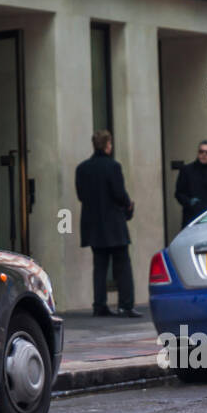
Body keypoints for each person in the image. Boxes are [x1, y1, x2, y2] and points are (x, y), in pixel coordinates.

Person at [75, 130, 139, 318]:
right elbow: (119, 193)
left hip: (93, 224)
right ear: (108, 145)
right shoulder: (113, 166)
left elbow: (81, 196)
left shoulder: (82, 168)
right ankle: (125, 305)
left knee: (100, 266)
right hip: (114, 223)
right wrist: (128, 204)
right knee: (122, 264)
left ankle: (99, 305)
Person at [175, 140, 207, 227]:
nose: (204, 155)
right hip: (192, 218)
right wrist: (190, 202)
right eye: (201, 151)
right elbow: (179, 193)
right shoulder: (186, 171)